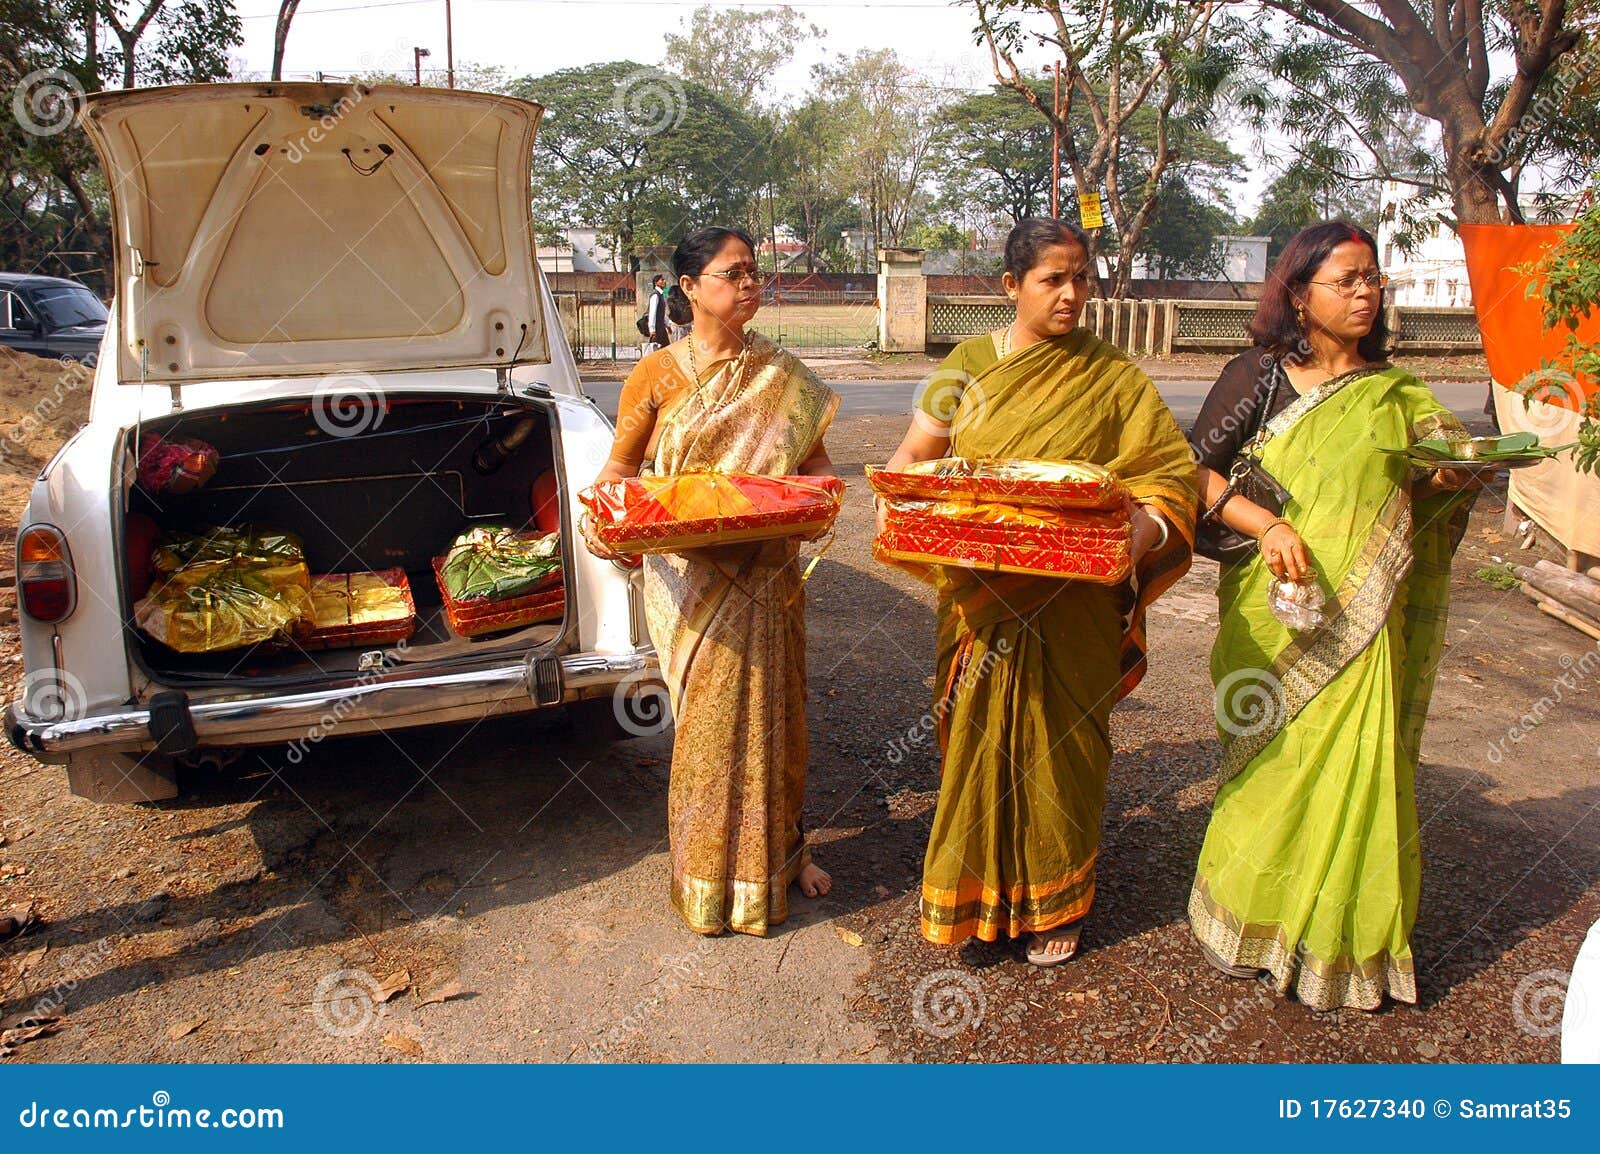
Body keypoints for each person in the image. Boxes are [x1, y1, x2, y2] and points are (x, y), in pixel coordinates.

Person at [881, 217, 1197, 965]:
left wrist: (1142, 533)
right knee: (977, 738)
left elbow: (1170, 474)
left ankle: (1059, 900)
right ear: (1011, 285)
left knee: (1066, 744)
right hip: (981, 590)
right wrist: (907, 505)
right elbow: (915, 458)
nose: (1071, 294)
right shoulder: (965, 365)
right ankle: (978, 895)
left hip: (1075, 597)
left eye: (1081, 279)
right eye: (1053, 279)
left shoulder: (1113, 377)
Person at [1185, 220, 1483, 1011]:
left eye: (1371, 278)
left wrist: (1450, 482)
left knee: (1359, 763)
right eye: (1345, 279)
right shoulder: (1257, 376)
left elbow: (1424, 487)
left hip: (1364, 619)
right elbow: (1197, 473)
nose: (1364, 293)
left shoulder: (1397, 393)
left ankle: (1336, 942)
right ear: (1297, 293)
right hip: (1272, 605)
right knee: (1272, 757)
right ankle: (1247, 917)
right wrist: (1267, 526)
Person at [582, 226, 838, 937]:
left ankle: (785, 855)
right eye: (734, 273)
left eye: (755, 271)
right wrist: (605, 526)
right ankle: (704, 878)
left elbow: (817, 471)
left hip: (768, 571)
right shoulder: (656, 375)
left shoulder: (784, 377)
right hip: (689, 577)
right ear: (690, 287)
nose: (750, 284)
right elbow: (619, 474)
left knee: (777, 718)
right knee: (708, 729)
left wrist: (817, 505)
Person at [645, 273, 669, 350]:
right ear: (656, 283)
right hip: (657, 328)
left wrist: (667, 325)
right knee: (658, 349)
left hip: (661, 327)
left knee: (664, 349)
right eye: (662, 280)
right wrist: (652, 329)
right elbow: (652, 313)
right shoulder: (655, 295)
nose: (664, 281)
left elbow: (661, 313)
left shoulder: (660, 295)